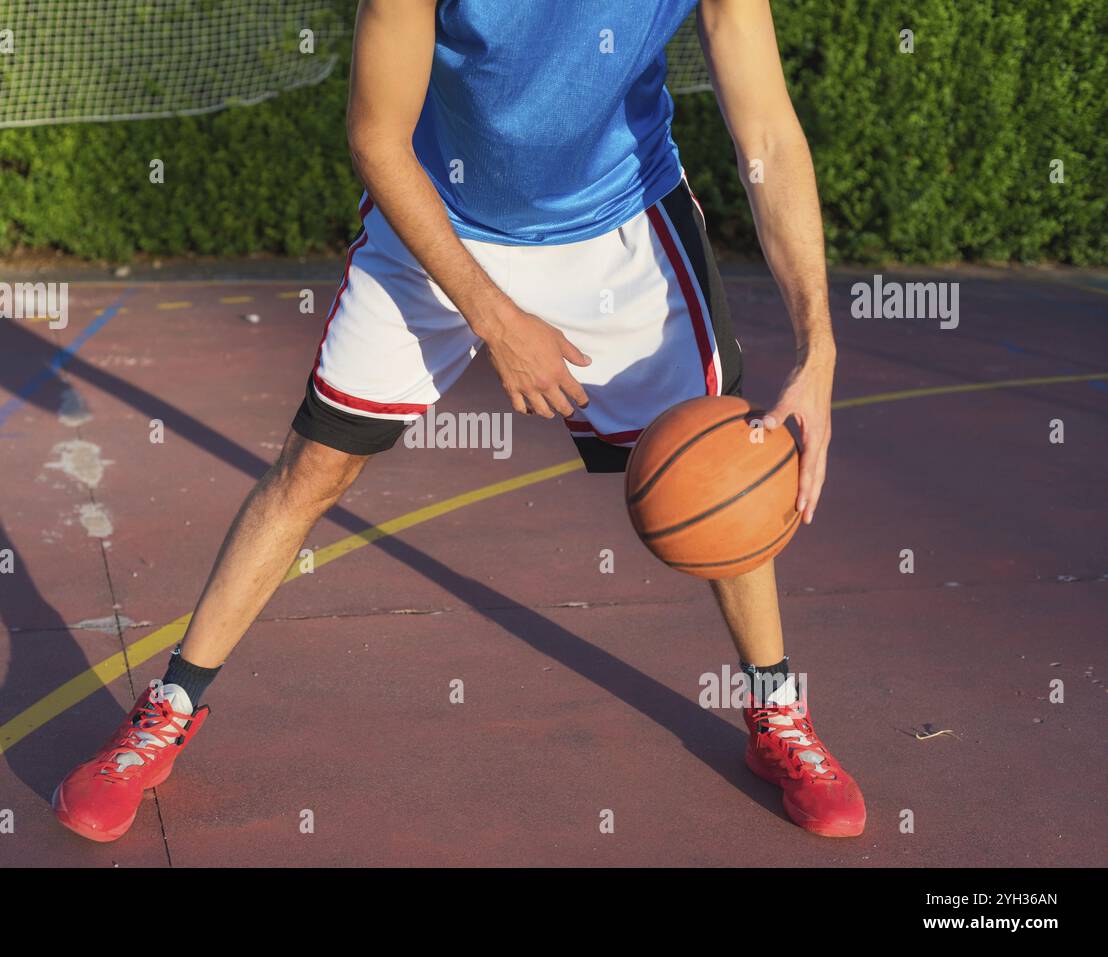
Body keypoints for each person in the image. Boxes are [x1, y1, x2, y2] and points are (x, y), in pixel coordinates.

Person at [52, 0, 864, 843]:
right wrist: (494, 315)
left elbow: (766, 132)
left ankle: (776, 714)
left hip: (621, 227)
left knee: (724, 463)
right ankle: (169, 708)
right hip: (437, 223)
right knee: (315, 468)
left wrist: (820, 346)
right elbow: (376, 137)